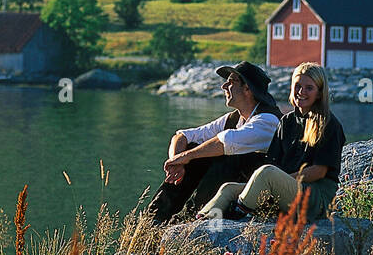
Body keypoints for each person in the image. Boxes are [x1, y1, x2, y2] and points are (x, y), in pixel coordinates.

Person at [198, 62, 344, 224]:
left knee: (267, 173)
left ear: (319, 93)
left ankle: (238, 212)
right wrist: (270, 184)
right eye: (297, 86)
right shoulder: (287, 121)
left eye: (309, 88)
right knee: (229, 188)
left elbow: (318, 171)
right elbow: (274, 162)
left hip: (316, 198)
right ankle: (202, 223)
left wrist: (278, 182)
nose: (301, 92)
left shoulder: (329, 124)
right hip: (288, 190)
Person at [144, 61, 282, 224]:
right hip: (231, 190)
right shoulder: (234, 118)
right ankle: (153, 219)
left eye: (232, 82)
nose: (224, 86)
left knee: (223, 156)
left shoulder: (268, 120)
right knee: (194, 150)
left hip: (255, 197)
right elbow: (182, 136)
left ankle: (192, 218)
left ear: (248, 89)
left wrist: (187, 156)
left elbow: (225, 142)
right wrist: (177, 162)